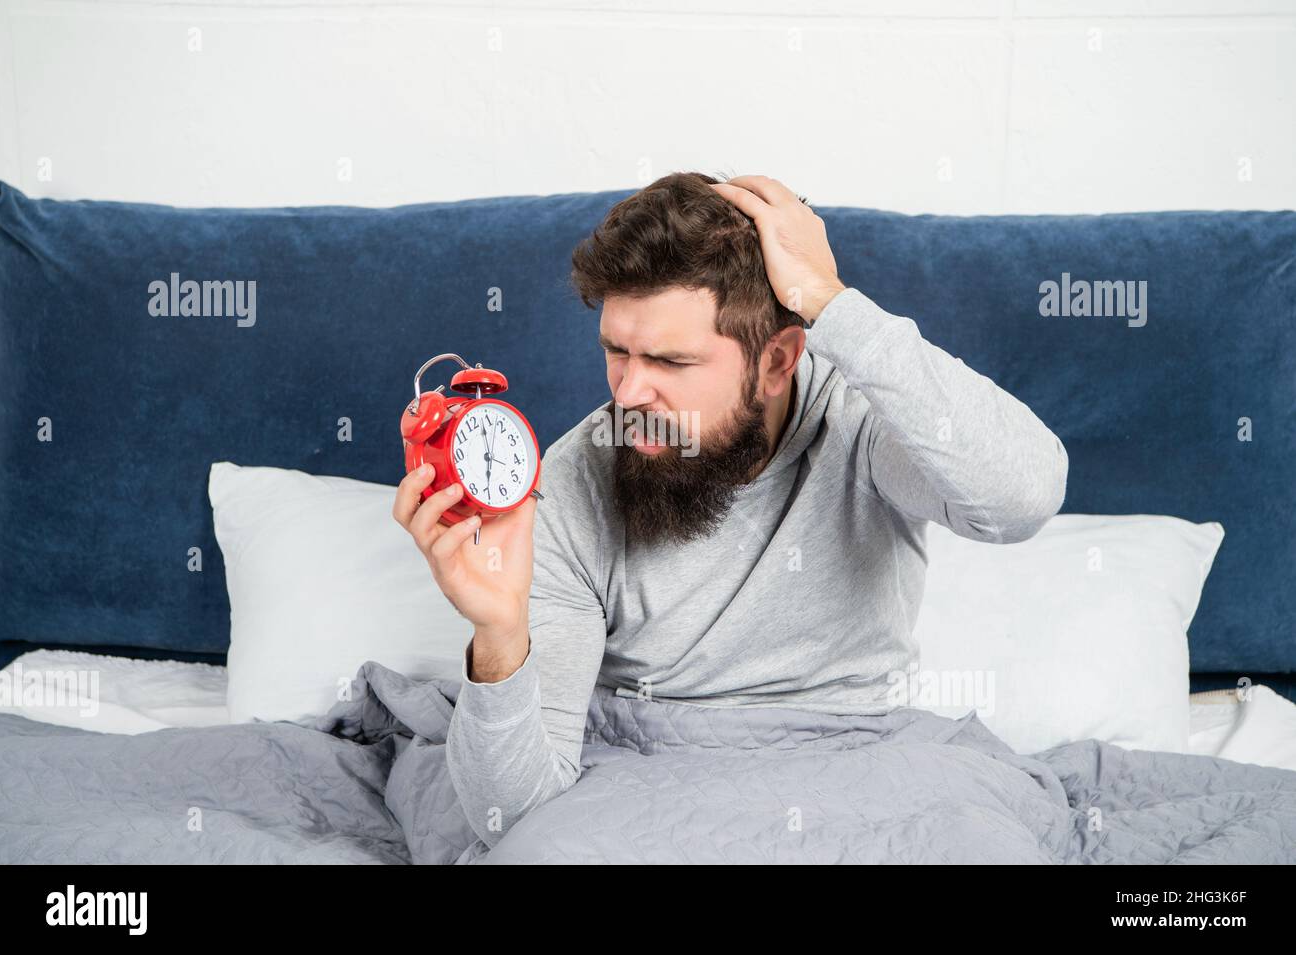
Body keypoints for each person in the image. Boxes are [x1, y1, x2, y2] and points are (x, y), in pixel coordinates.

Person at [393, 172, 1069, 847]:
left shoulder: (866, 427)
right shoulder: (569, 485)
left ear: (777, 361)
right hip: (647, 778)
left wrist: (832, 305)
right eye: (615, 351)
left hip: (860, 763)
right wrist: (501, 636)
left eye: (668, 361)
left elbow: (1025, 495)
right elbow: (508, 814)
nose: (629, 394)